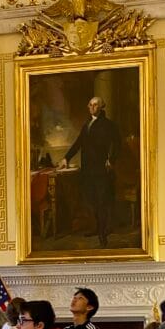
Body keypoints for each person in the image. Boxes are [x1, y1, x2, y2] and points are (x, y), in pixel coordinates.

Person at [58, 96, 120, 246]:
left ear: (101, 107)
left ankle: (102, 234)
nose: (92, 107)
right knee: (91, 200)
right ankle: (98, 227)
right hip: (87, 170)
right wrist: (66, 158)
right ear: (88, 107)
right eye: (90, 105)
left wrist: (111, 159)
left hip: (100, 169)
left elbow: (118, 143)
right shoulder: (86, 125)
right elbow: (78, 143)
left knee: (101, 201)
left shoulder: (108, 125)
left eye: (96, 105)